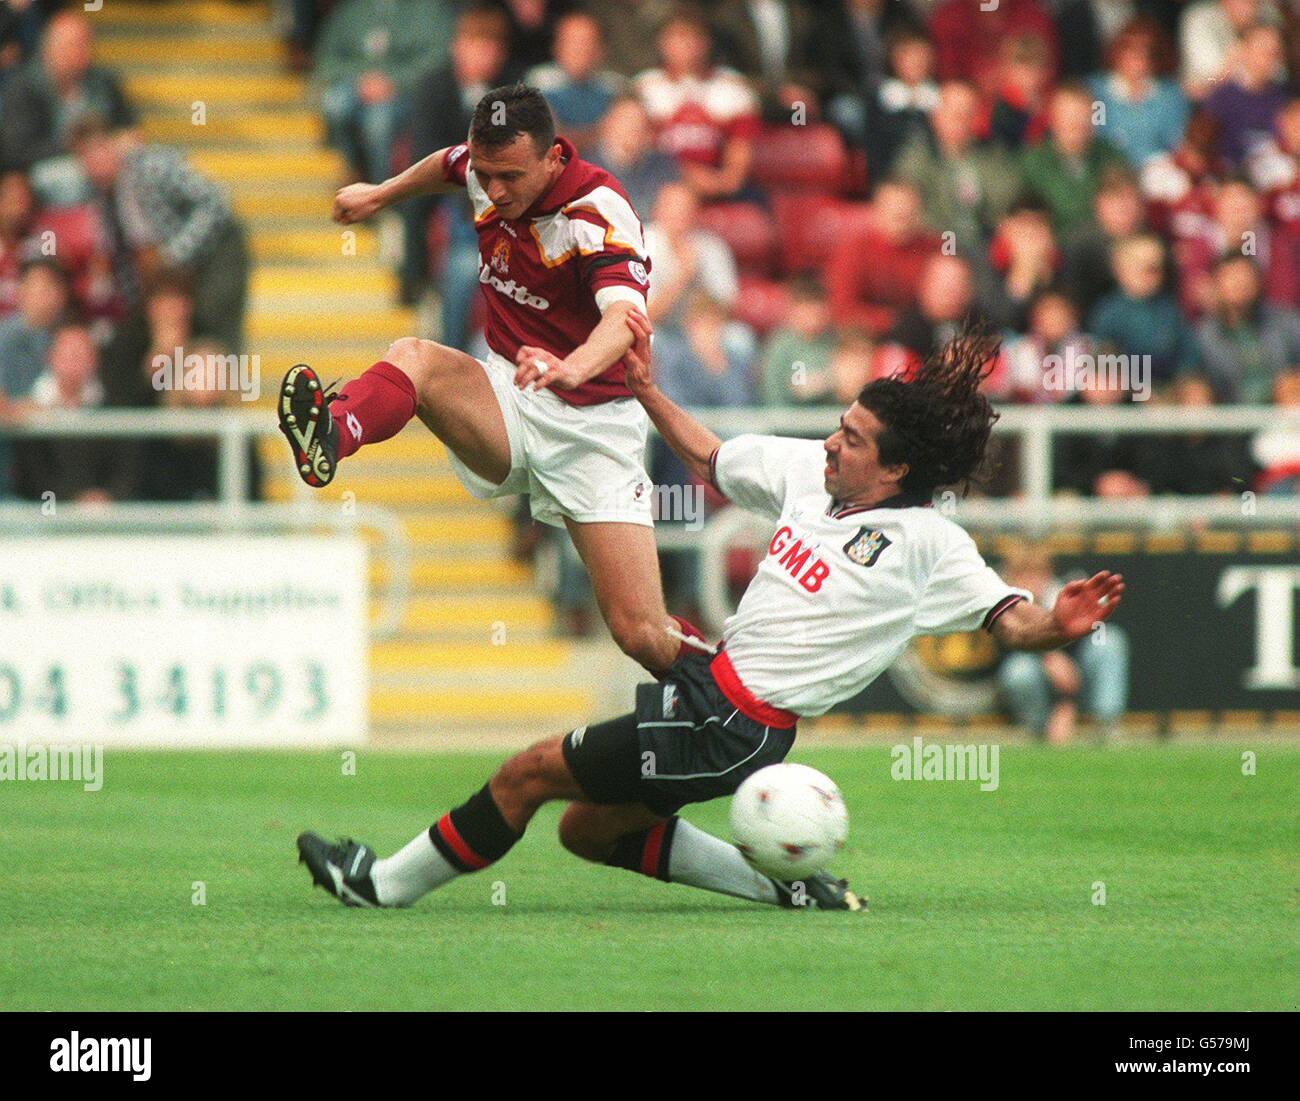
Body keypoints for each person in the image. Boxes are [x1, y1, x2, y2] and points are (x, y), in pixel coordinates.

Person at [296, 314, 1125, 912]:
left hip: (738, 722)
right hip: (709, 691)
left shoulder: (927, 545)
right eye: (840, 426)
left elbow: (1008, 619)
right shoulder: (811, 472)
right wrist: (649, 390)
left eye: (855, 439)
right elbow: (710, 454)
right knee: (588, 831)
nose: (833, 443)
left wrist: (1057, 621)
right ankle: (783, 885)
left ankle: (377, 885)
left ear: (898, 468)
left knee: (527, 773)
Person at [280, 83, 685, 676]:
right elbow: (448, 164)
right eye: (486, 173)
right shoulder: (487, 168)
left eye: (510, 177)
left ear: (553, 157)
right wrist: (381, 194)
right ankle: (332, 435)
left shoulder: (598, 209)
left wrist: (570, 367)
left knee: (641, 633)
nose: (494, 190)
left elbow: (624, 319)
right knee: (414, 355)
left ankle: (723, 703)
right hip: (511, 399)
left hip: (593, 430)